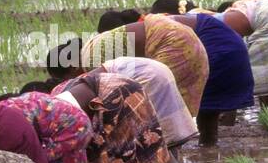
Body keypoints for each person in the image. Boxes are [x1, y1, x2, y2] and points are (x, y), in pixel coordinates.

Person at [48, 42, 197, 147]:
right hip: (156, 70)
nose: (67, 82)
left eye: (64, 78)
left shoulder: (83, 78)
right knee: (163, 126)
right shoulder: (92, 58)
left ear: (73, 68)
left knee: (151, 132)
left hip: (147, 77)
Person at [51, 71, 170, 163]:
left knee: (141, 145)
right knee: (97, 161)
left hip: (119, 93)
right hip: (93, 96)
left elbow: (95, 152)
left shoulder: (112, 102)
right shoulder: (49, 111)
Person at [145, 9, 253, 145]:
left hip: (215, 48)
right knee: (207, 106)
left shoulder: (120, 38)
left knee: (167, 103)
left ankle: (185, 149)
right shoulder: (149, 24)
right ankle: (208, 148)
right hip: (229, 45)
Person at [82, 13, 208, 118]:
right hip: (184, 35)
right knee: (170, 105)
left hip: (173, 41)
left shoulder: (92, 61)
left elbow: (112, 99)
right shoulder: (92, 47)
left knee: (149, 108)